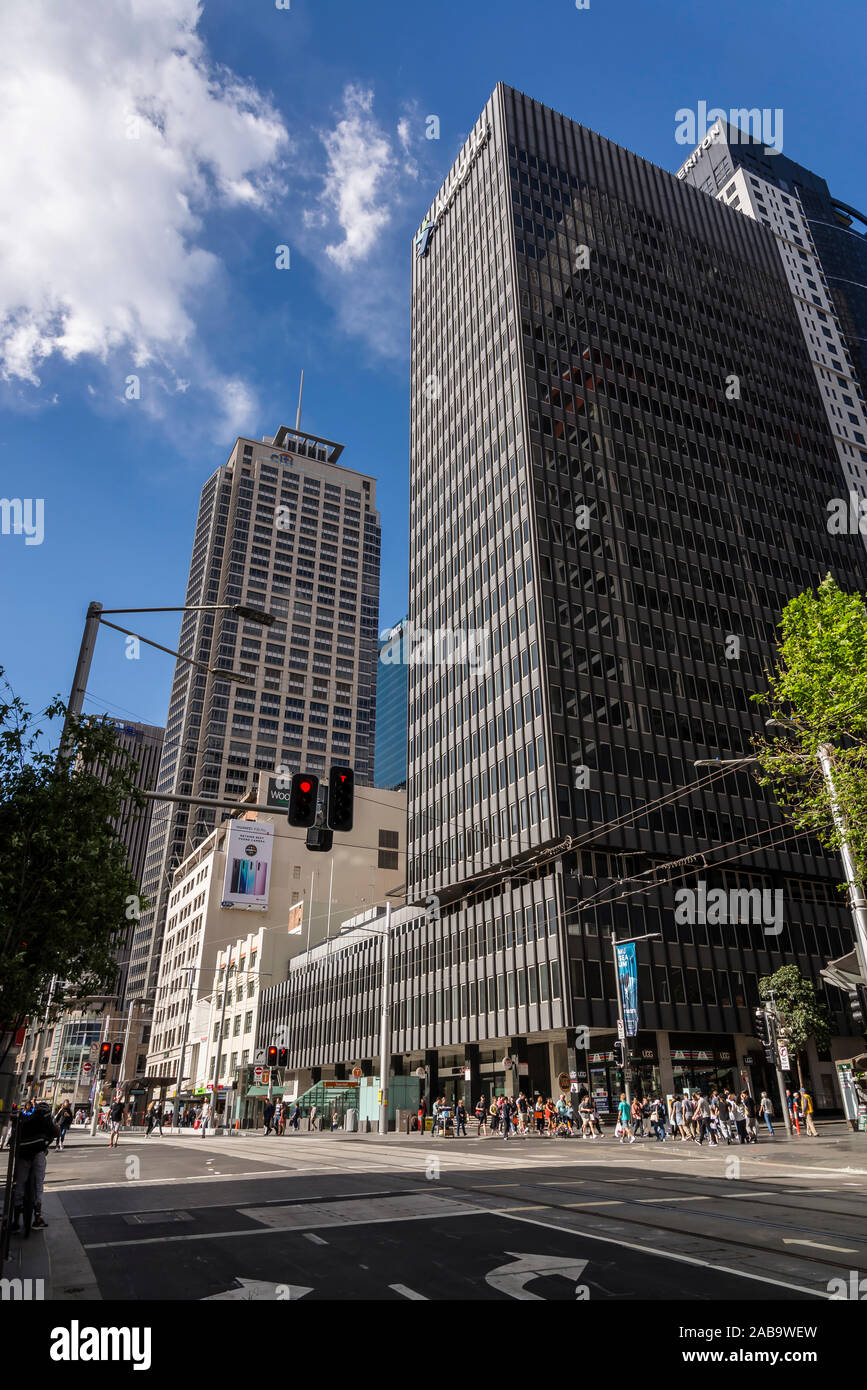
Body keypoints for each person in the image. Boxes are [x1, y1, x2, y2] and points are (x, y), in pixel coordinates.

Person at [11, 1100, 59, 1231]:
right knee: (39, 1185)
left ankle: (15, 1222)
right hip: (38, 1153)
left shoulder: (27, 1117)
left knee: (19, 1185)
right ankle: (37, 1219)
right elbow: (55, 1133)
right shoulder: (46, 1120)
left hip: (23, 1154)